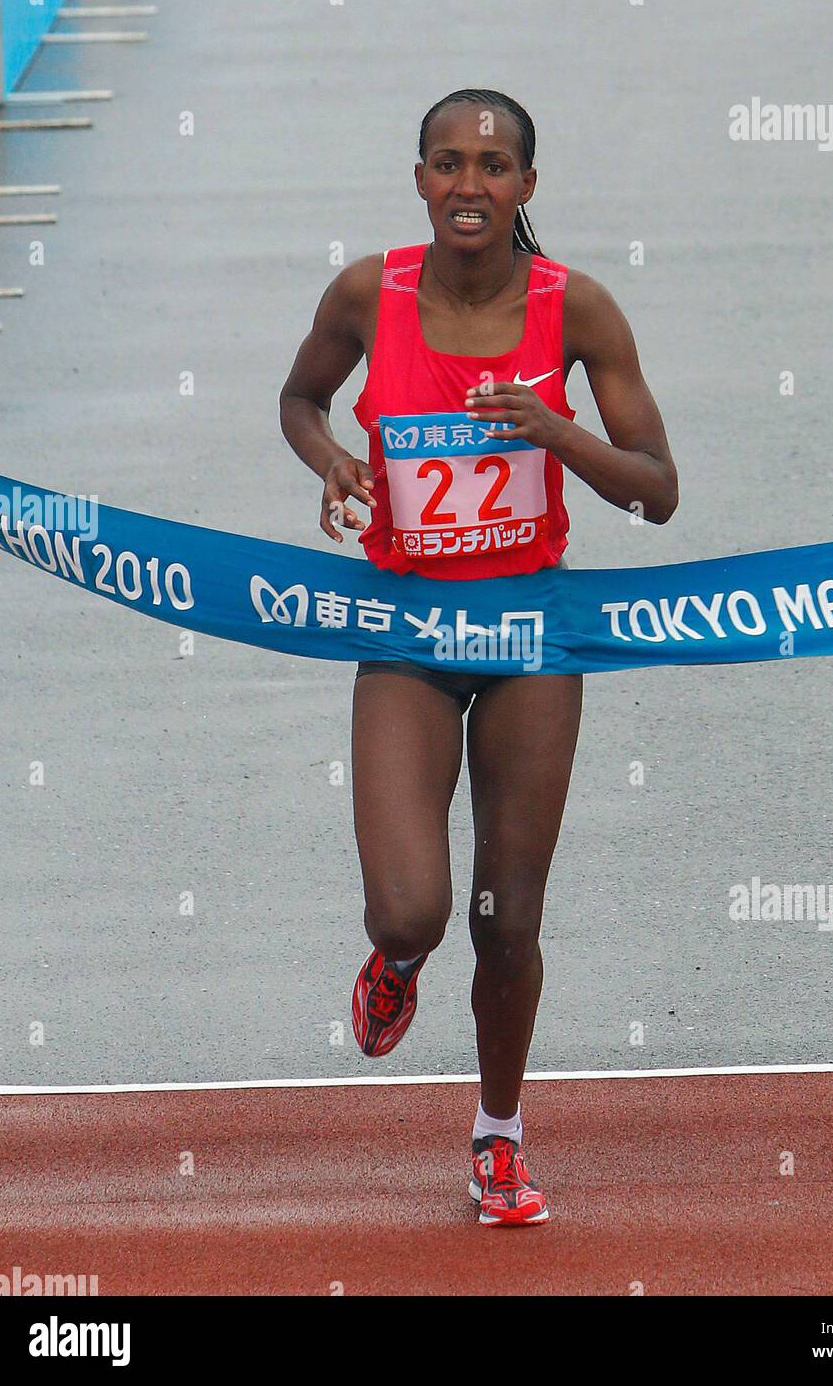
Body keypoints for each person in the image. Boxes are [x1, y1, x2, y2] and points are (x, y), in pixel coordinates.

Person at [279, 88, 678, 1226]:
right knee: (412, 910)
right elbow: (299, 397)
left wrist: (557, 432)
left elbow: (658, 491)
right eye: (447, 164)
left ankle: (497, 1136)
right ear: (419, 179)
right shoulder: (370, 293)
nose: (470, 185)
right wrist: (333, 459)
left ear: (526, 188)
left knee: (506, 919)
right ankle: (394, 966)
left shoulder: (576, 310)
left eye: (493, 167)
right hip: (407, 632)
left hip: (530, 638)